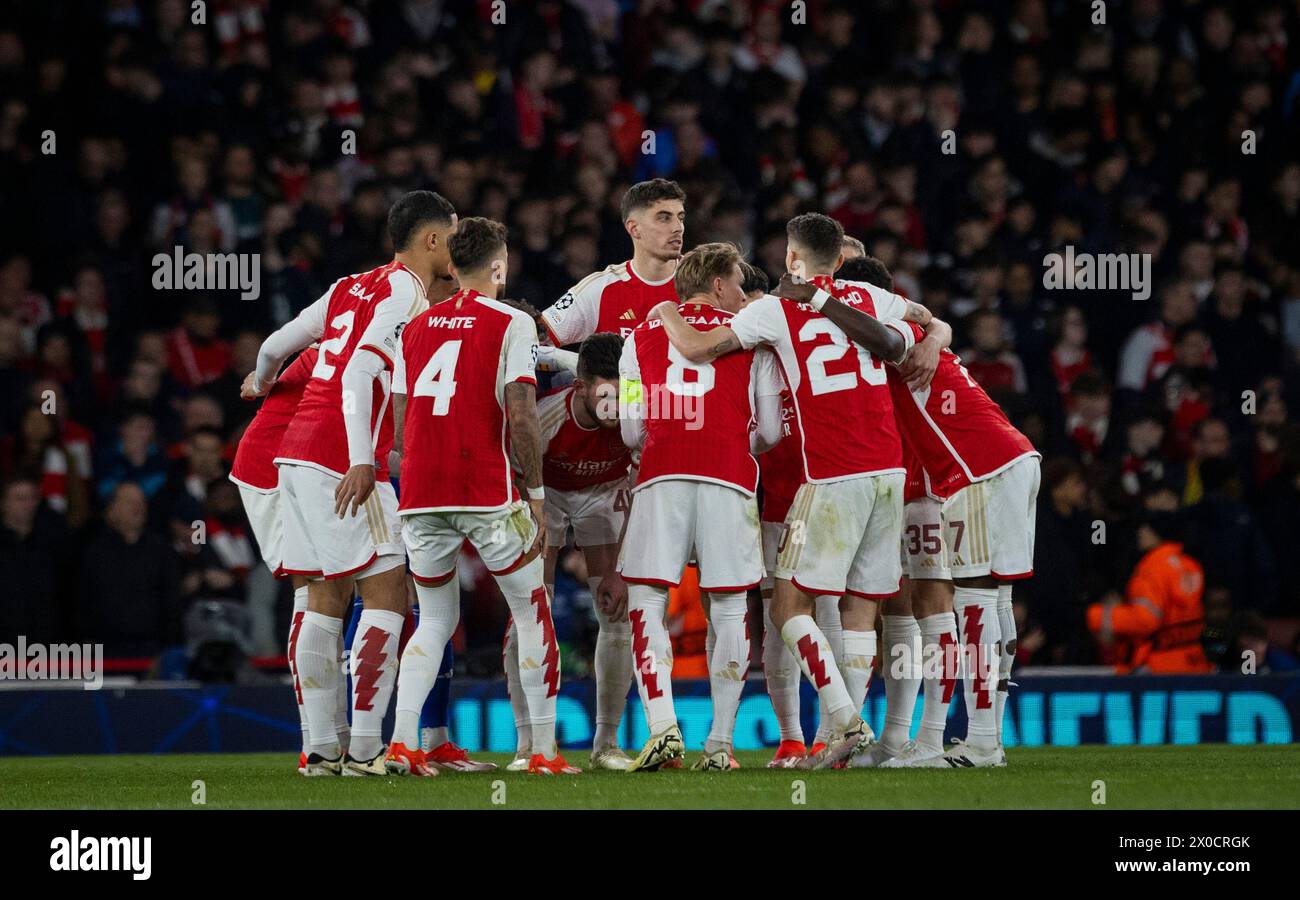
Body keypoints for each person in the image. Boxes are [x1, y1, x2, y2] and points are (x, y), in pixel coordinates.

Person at [648, 215, 933, 769]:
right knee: (858, 608)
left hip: (832, 471)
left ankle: (845, 720)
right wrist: (934, 339)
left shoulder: (772, 309)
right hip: (889, 469)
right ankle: (842, 741)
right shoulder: (872, 296)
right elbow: (925, 322)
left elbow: (700, 347)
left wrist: (663, 313)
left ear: (791, 256)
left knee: (785, 604)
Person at [242, 190, 457, 775]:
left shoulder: (346, 286)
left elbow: (273, 346)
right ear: (432, 239)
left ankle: (320, 750)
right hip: (340, 455)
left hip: (295, 453)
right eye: (453, 233)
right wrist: (365, 458)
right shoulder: (407, 289)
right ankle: (365, 748)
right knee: (388, 591)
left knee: (321, 595)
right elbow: (364, 366)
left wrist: (261, 381)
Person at [384, 217, 578, 776]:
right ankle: (541, 751)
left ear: (451, 265)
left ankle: (403, 744)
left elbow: (399, 424)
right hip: (485, 491)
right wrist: (535, 492)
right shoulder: (512, 321)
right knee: (533, 609)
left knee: (433, 620)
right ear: (499, 266)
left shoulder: (415, 329)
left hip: (420, 491)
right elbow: (521, 412)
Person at [617, 242, 784, 771]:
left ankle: (663, 728)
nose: (742, 294)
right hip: (729, 477)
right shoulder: (750, 339)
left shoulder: (637, 337)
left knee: (646, 599)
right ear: (716, 284)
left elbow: (628, 427)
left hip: (660, 474)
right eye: (737, 283)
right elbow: (773, 429)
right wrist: (730, 438)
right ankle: (720, 746)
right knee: (731, 607)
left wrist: (668, 434)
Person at [503, 332, 635, 771]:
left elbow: (649, 484)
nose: (616, 411)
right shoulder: (544, 419)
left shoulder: (637, 412)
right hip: (546, 494)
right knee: (529, 610)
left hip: (605, 493)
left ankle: (607, 744)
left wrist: (623, 567)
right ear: (580, 388)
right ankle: (526, 742)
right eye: (606, 399)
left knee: (618, 611)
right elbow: (518, 479)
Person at [1087, 513, 1213, 674]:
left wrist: (1095, 615)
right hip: (1192, 660)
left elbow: (1145, 620)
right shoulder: (1190, 565)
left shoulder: (1152, 568)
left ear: (1158, 533)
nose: (1140, 532)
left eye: (1146, 528)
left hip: (1156, 667)